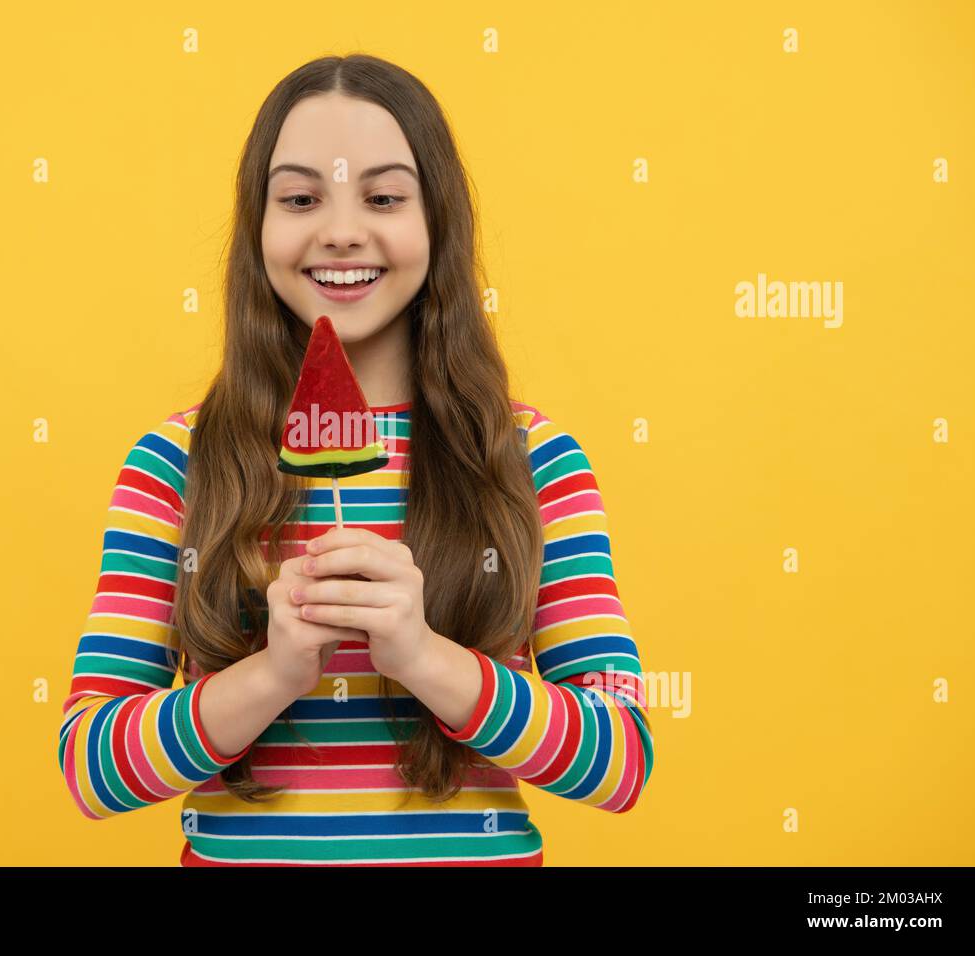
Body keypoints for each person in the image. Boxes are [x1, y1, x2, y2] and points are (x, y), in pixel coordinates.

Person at [56, 53, 654, 866]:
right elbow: (93, 768)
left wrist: (426, 659)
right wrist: (271, 676)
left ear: (436, 222)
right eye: (301, 198)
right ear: (258, 227)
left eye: (383, 197)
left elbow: (620, 758)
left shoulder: (529, 459)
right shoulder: (179, 463)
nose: (340, 229)